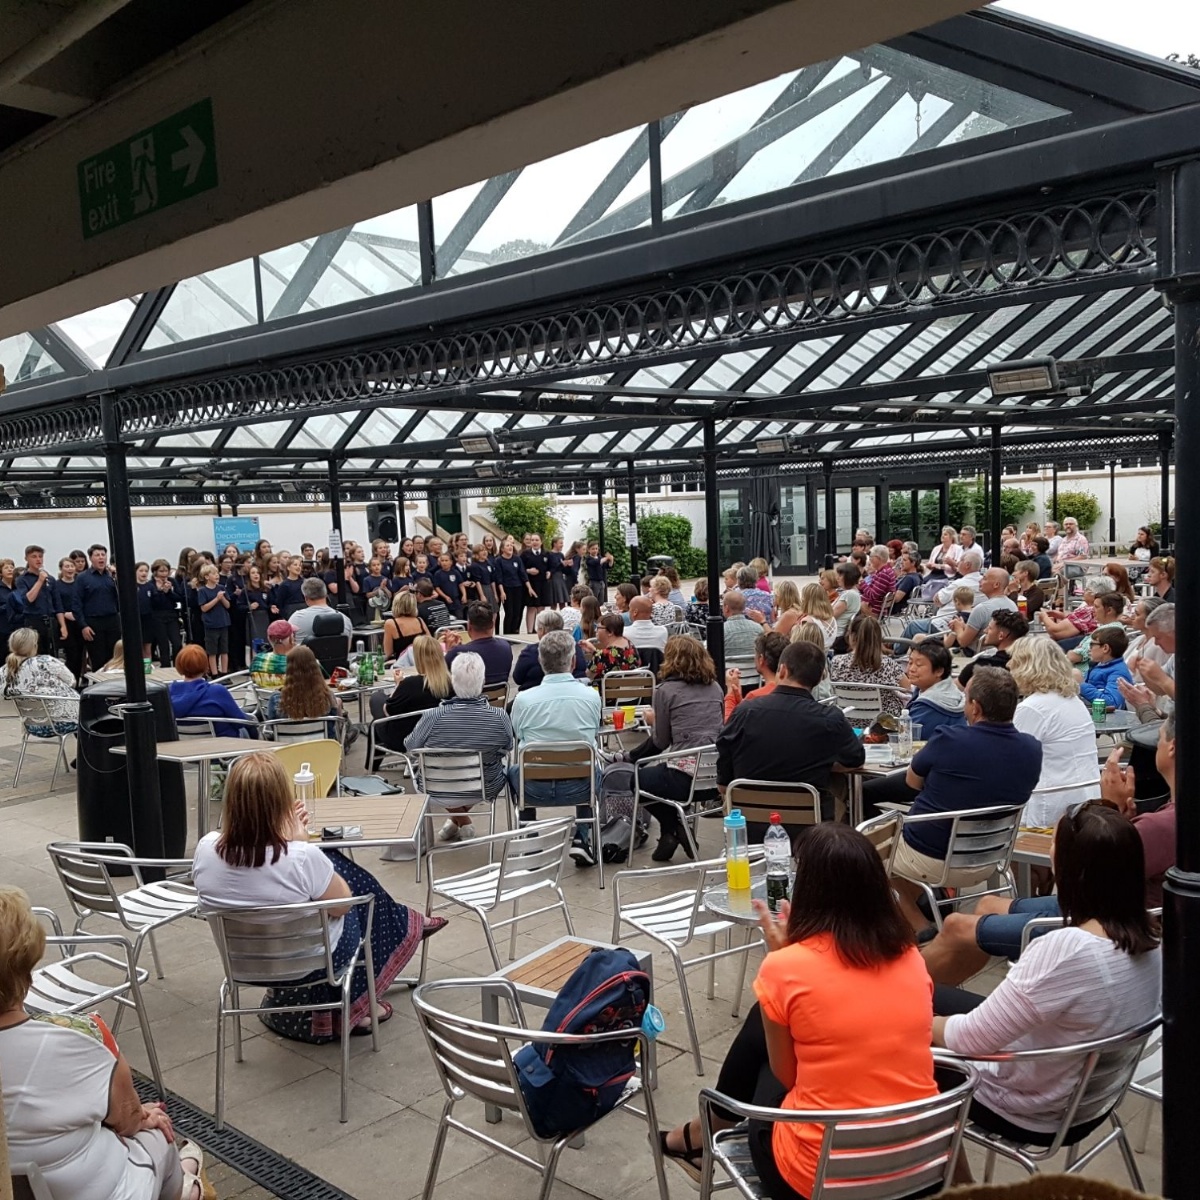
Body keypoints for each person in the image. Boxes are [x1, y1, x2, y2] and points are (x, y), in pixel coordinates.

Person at [658, 825, 938, 1197]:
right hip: (921, 1165)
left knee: (768, 1052)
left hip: (818, 1177)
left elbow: (788, 1077)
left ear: (807, 888)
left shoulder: (786, 968)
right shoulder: (910, 957)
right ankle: (697, 1132)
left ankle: (702, 1131)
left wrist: (784, 961)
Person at [932, 803, 1160, 1160]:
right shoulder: (1150, 940)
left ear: (1071, 869)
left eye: (1055, 847)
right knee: (932, 996)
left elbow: (970, 1039)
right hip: (1088, 1101)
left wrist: (908, 1020)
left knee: (886, 1034)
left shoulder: (1069, 949)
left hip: (1025, 1110)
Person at [192, 753, 441, 1043]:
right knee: (361, 899)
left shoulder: (205, 849)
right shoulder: (300, 857)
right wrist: (299, 844)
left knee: (327, 892)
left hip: (243, 964)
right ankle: (355, 1007)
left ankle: (404, 923)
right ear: (281, 801)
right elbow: (343, 905)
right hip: (309, 965)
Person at [923, 716, 1175, 988]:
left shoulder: (1159, 826)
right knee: (985, 905)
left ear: (1172, 749)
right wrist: (1119, 820)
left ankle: (905, 996)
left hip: (1103, 922)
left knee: (956, 926)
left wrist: (1108, 807)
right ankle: (937, 994)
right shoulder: (1166, 818)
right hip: (1116, 910)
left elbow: (1077, 877)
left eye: (1159, 738)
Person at [0, 888, 205, 1200]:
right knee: (157, 1134)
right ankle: (187, 1185)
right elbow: (128, 1120)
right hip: (100, 1190)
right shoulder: (79, 1039)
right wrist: (142, 1115)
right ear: (25, 969)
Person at [890, 669, 1042, 932]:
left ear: (975, 707)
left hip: (932, 855)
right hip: (991, 857)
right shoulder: (1032, 748)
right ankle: (924, 909)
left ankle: (918, 924)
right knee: (895, 853)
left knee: (867, 850)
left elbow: (912, 783)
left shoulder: (948, 738)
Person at [717, 640, 864, 827]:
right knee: (839, 785)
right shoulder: (829, 719)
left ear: (783, 670)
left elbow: (723, 783)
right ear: (818, 679)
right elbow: (856, 759)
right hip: (809, 825)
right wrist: (822, 762)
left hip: (748, 823)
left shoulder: (745, 711)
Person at [507, 631, 603, 866]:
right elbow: (594, 732)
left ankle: (530, 839)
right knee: (590, 761)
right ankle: (583, 837)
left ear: (541, 662)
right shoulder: (591, 696)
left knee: (515, 768)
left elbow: (518, 736)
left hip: (533, 788)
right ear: (572, 662)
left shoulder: (524, 700)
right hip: (581, 787)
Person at [626, 638, 723, 862]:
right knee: (659, 773)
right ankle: (671, 833)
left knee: (637, 780)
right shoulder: (715, 687)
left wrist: (652, 722)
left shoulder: (666, 690)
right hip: (714, 780)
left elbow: (660, 742)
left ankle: (674, 827)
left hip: (683, 778)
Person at [406, 652, 514, 842]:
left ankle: (458, 821)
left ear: (453, 681)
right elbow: (508, 746)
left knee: (439, 773)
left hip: (436, 787)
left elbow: (411, 746)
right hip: (483, 786)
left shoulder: (433, 717)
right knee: (495, 768)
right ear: (483, 681)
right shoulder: (499, 716)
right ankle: (461, 820)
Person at [1006, 637, 1100, 825]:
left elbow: (1009, 761)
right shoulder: (1072, 700)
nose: (1009, 666)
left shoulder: (1033, 708)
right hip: (1085, 796)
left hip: (1049, 804)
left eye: (1014, 661)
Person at [168, 644, 255, 739]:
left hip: (185, 747)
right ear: (205, 665)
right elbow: (240, 721)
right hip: (223, 745)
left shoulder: (169, 693)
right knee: (248, 726)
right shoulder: (216, 691)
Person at [828, 613, 906, 716]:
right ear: (878, 638)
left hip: (848, 719)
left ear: (852, 636)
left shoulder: (837, 662)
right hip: (883, 722)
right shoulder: (888, 664)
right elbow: (907, 688)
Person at [4, 626, 78, 734]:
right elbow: (72, 681)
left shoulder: (5, 670)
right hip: (62, 723)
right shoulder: (46, 661)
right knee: (93, 714)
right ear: (34, 645)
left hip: (31, 726)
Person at [940, 568, 1017, 655]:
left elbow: (963, 642)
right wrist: (963, 626)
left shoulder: (981, 609)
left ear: (996, 585)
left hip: (978, 655)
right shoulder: (1012, 605)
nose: (980, 580)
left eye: (984, 578)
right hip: (1005, 653)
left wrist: (957, 628)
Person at [74, 544, 121, 674]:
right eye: (97, 555)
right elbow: (76, 604)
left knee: (114, 657)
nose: (101, 558)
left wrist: (117, 577)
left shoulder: (111, 576)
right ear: (90, 558)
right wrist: (83, 625)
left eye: (103, 555)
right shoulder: (83, 578)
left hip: (112, 620)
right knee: (98, 658)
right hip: (93, 622)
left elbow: (121, 597)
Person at [955, 608, 1029, 689]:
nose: (985, 631)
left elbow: (956, 688)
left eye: (989, 628)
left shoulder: (981, 666)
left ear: (1001, 636)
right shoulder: (1029, 663)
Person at [444, 602, 512, 686]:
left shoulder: (458, 653)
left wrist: (450, 651)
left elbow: (444, 678)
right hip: (497, 696)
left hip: (466, 697)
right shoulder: (505, 647)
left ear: (469, 626)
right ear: (493, 624)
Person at [724, 631, 787, 720]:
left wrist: (730, 693)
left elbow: (730, 725)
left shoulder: (755, 697)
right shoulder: (793, 691)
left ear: (761, 659)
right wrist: (741, 701)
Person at [904, 641, 964, 735]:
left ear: (939, 671)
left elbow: (906, 736)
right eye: (910, 662)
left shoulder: (929, 706)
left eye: (919, 665)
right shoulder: (951, 691)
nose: (911, 669)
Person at [1077, 625, 1133, 709]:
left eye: (1092, 644)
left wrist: (1081, 684)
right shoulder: (1100, 665)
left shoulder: (1118, 673)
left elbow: (1112, 703)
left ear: (1105, 648)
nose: (1089, 649)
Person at [289, 577, 352, 642]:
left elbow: (288, 644)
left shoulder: (296, 618)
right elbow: (347, 648)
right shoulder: (345, 620)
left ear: (305, 597)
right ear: (326, 595)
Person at [587, 613, 641, 684]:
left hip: (606, 693)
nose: (595, 630)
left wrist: (596, 654)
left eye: (598, 628)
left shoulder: (602, 655)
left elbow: (589, 675)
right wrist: (595, 652)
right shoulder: (630, 645)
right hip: (631, 692)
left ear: (610, 632)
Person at [249, 620, 300, 691]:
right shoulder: (299, 663)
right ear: (291, 639)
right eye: (293, 634)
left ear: (269, 638)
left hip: (263, 700)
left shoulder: (257, 661)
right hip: (292, 700)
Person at [719, 589, 759, 659]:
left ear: (726, 608)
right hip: (754, 668)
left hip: (728, 668)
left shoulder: (720, 630)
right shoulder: (758, 628)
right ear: (743, 607)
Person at [521, 533, 548, 633]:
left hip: (543, 584)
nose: (534, 542)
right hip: (530, 584)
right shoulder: (525, 554)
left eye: (537, 540)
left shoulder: (546, 554)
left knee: (541, 607)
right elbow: (521, 568)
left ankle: (540, 629)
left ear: (541, 542)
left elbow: (550, 567)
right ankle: (529, 631)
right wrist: (528, 571)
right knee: (531, 607)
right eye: (532, 540)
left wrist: (549, 572)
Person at [858, 545, 897, 616]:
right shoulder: (886, 571)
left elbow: (872, 595)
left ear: (878, 558)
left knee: (848, 603)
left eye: (871, 556)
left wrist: (861, 582)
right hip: (874, 607)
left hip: (872, 610)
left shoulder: (884, 574)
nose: (870, 559)